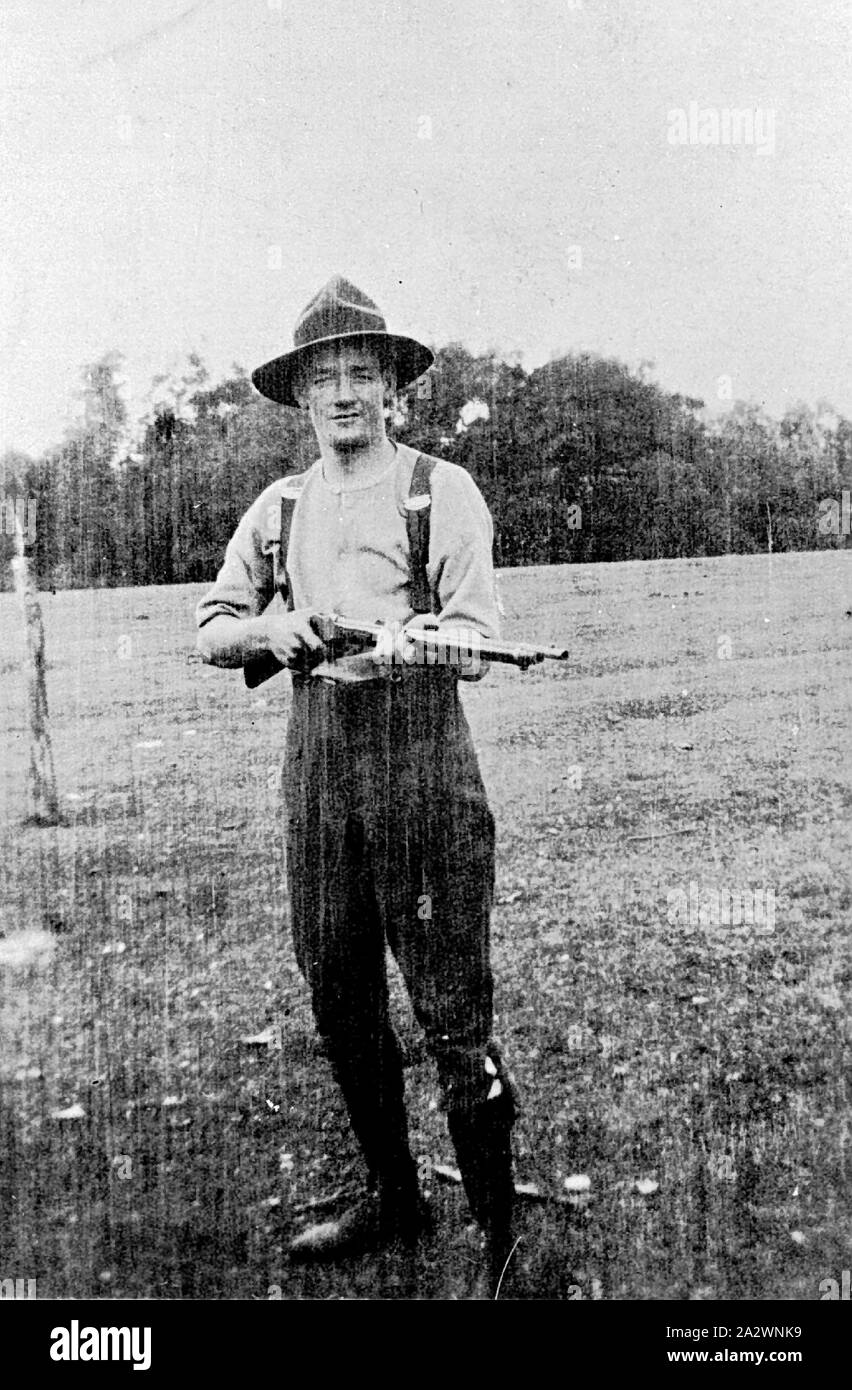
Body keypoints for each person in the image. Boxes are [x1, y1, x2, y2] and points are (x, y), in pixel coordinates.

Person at [196, 276, 517, 1290]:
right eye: (323, 378)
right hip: (320, 759)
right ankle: (395, 1198)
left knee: (452, 1003)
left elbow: (479, 641)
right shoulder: (280, 504)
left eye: (360, 375)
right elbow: (211, 627)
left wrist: (423, 639)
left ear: (394, 392)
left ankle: (505, 1242)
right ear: (300, 399)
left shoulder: (439, 489)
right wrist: (270, 629)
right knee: (337, 986)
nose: (342, 393)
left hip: (420, 757)